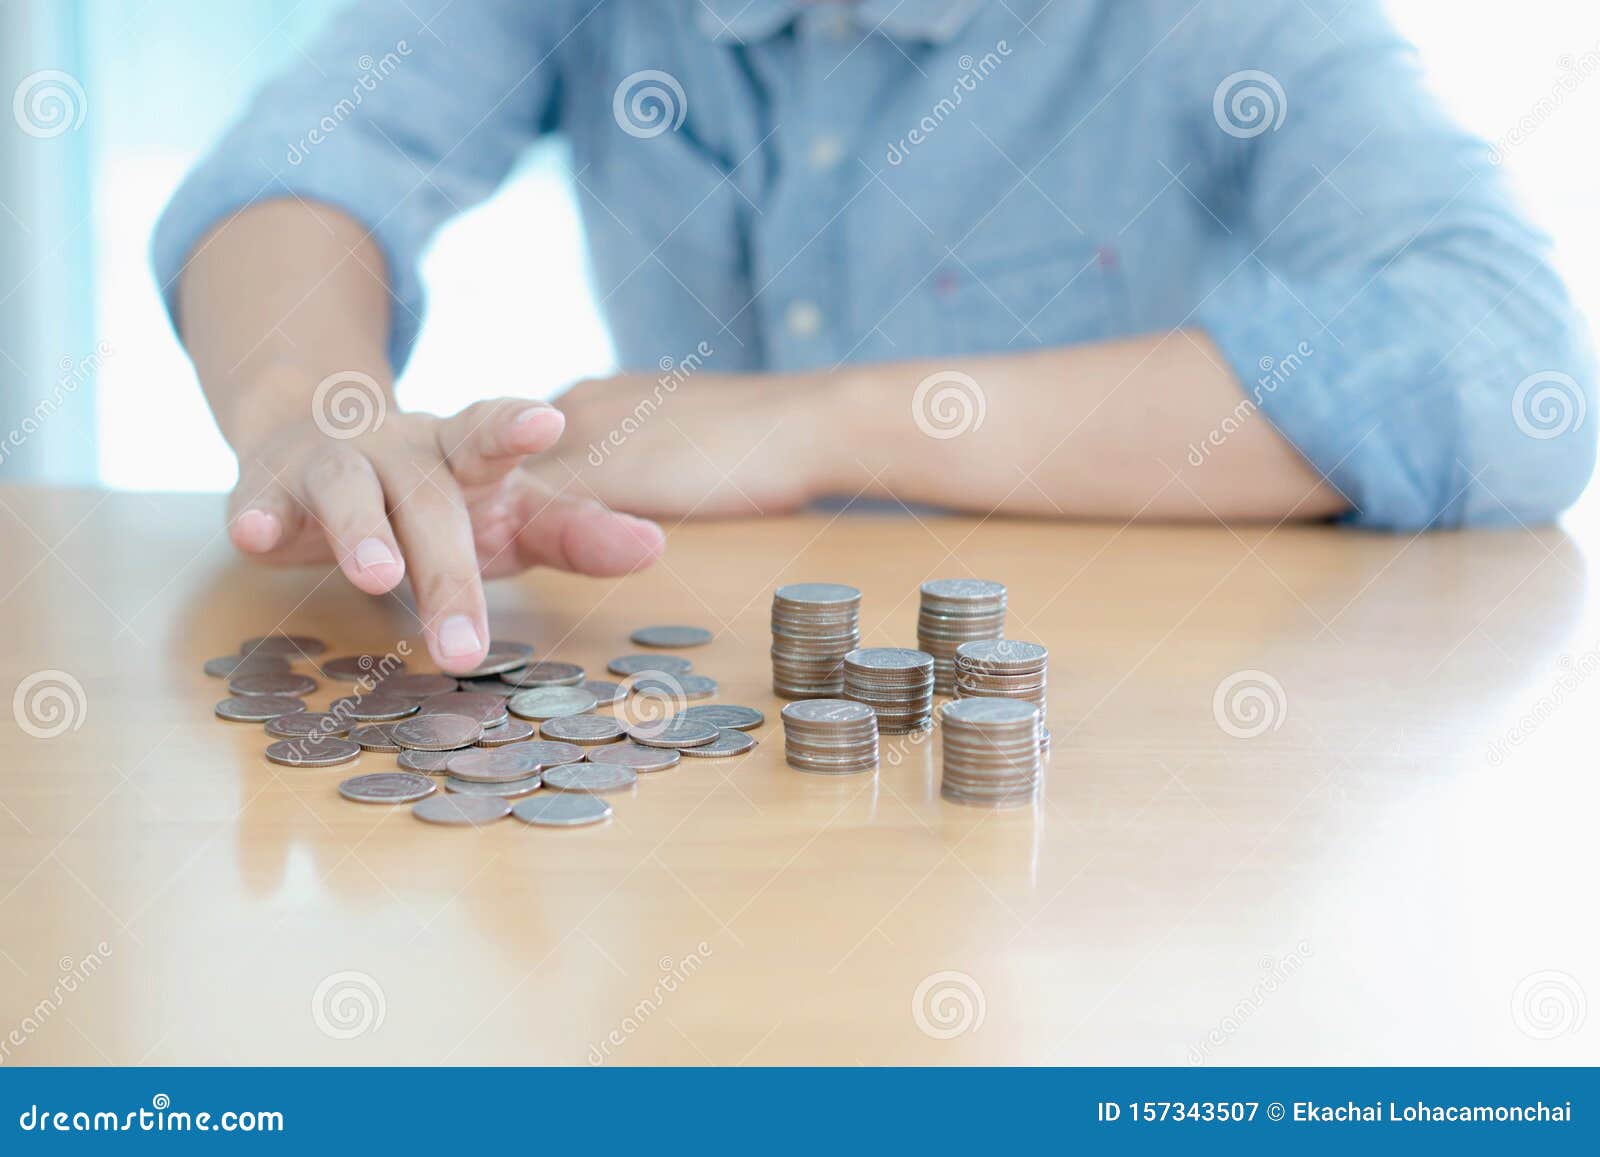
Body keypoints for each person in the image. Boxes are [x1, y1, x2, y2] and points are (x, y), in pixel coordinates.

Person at [153, 0, 1597, 674]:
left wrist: (816, 420)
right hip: (717, 735)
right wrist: (306, 399)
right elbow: (300, 164)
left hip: (1115, 741)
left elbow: (1511, 372)